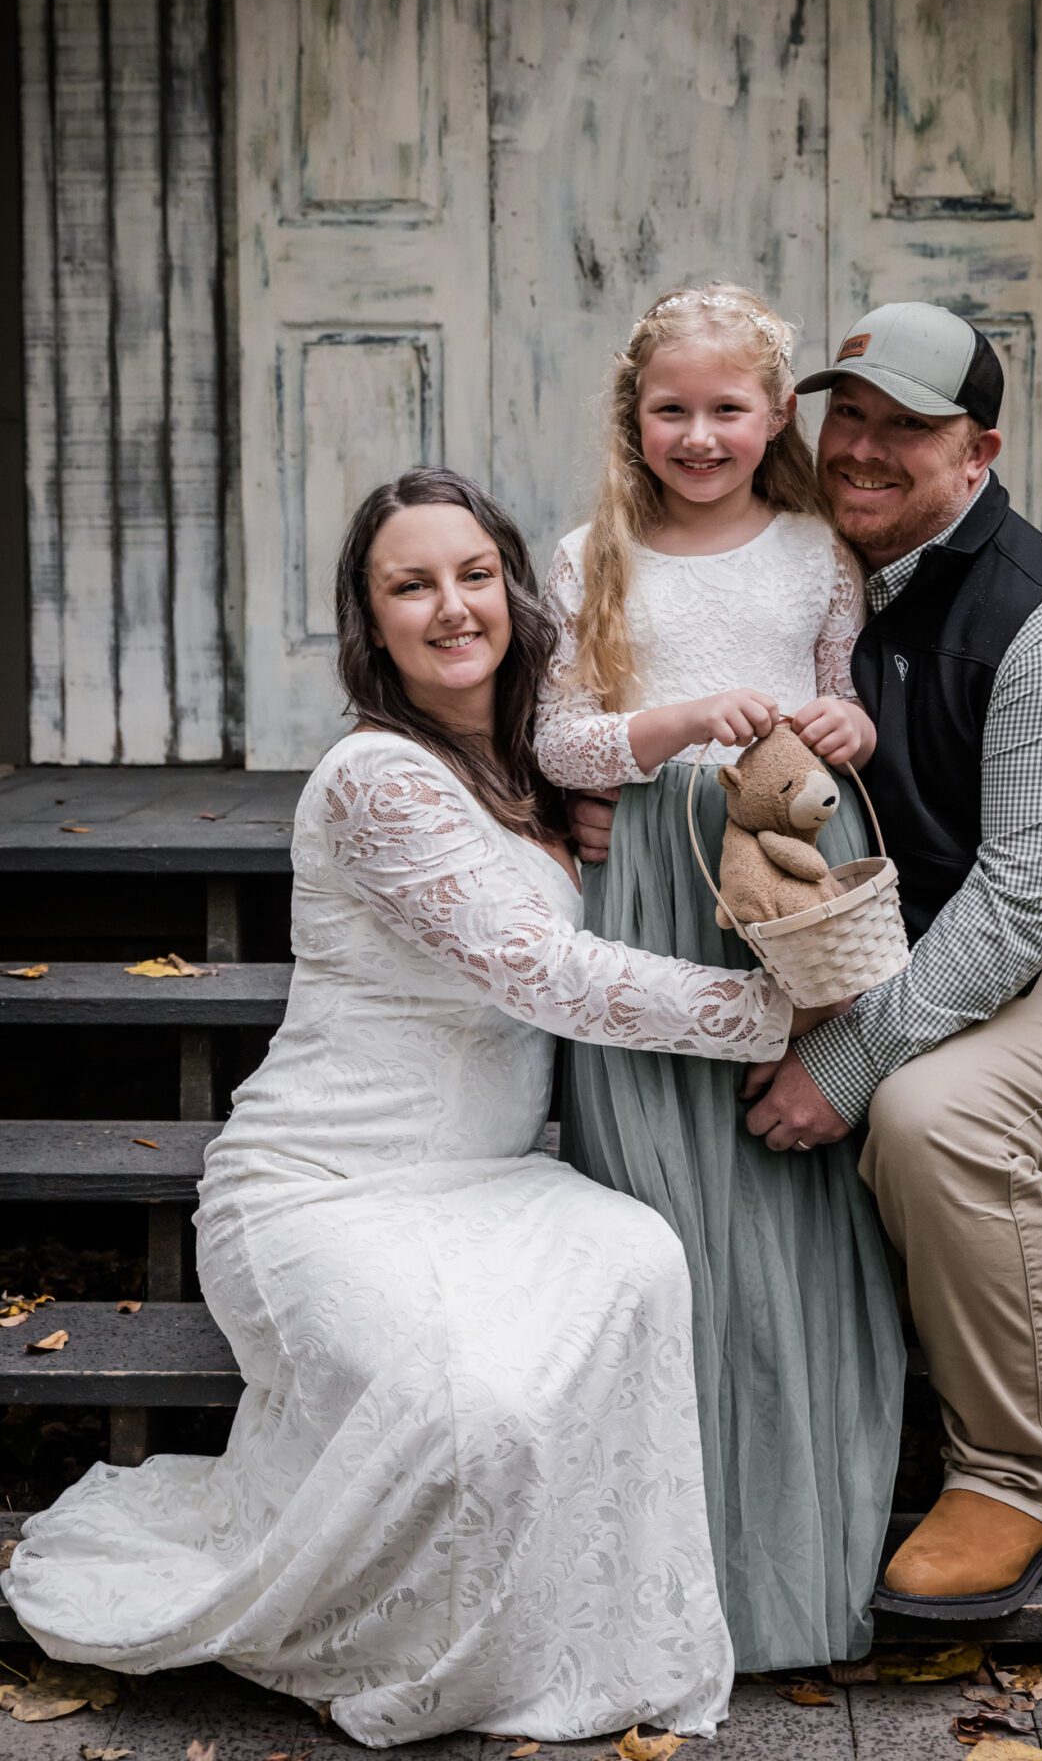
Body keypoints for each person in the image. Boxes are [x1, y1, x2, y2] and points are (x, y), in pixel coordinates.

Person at [3, 467, 832, 1748]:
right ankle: (432, 1651)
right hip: (324, 1190)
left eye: (473, 573)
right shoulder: (375, 777)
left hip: (495, 1188)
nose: (452, 605)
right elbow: (544, 971)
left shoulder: (534, 770)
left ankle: (579, 1635)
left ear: (512, 586)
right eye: (411, 583)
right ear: (371, 619)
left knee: (640, 1258)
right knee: (473, 1409)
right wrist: (778, 1016)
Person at [575, 301, 1042, 1626]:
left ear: (976, 455)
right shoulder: (836, 573)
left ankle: (1019, 1478)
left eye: (907, 430)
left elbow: (1025, 908)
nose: (863, 449)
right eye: (847, 416)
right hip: (902, 948)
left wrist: (853, 1062)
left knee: (928, 1122)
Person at [534, 284, 906, 1673]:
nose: (699, 434)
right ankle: (653, 1580)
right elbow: (562, 739)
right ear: (633, 417)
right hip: (647, 889)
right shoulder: (594, 555)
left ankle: (791, 1570)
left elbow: (849, 699)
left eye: (727, 408)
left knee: (784, 1207)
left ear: (771, 417)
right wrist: (668, 726)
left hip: (788, 885)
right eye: (670, 409)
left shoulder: (816, 551)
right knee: (662, 1204)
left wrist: (843, 723)